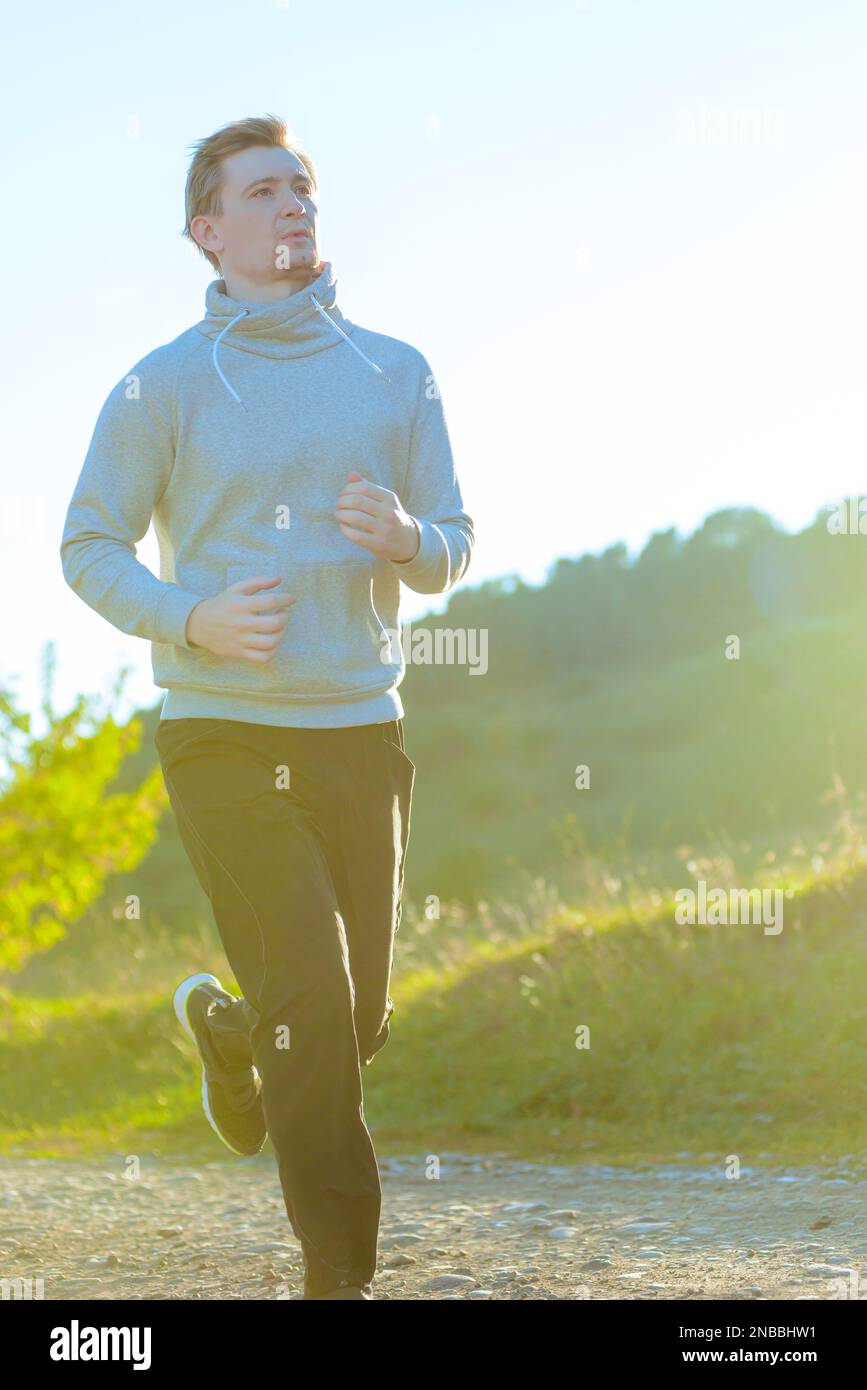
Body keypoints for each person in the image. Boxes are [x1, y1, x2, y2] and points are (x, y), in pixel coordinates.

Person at [59, 113, 475, 1301]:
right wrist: (189, 618)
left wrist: (407, 539)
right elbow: (88, 543)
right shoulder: (163, 386)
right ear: (208, 229)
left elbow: (455, 538)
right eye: (262, 191)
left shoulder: (397, 370)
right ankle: (338, 1277)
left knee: (353, 1018)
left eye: (302, 186)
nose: (292, 204)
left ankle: (236, 1038)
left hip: (358, 729)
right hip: (223, 733)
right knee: (312, 985)